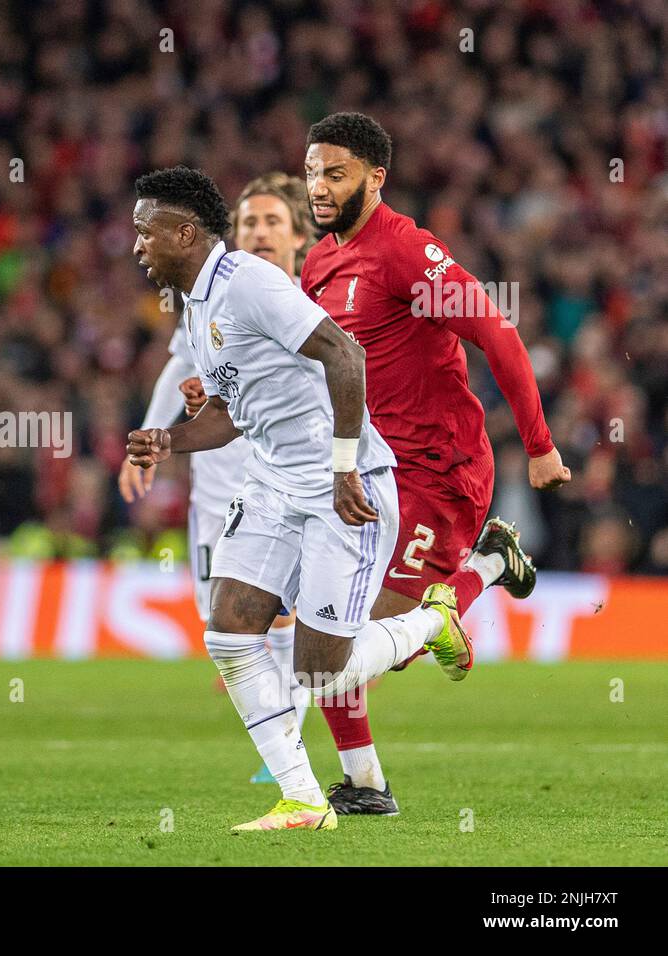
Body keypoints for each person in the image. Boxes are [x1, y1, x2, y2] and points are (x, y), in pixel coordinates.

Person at [127, 165, 472, 832]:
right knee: (229, 631)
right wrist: (168, 440)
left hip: (345, 486)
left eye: (146, 233)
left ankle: (433, 620)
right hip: (275, 484)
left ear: (186, 232)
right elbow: (230, 410)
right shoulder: (197, 308)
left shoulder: (250, 284)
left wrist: (345, 469)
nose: (137, 246)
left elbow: (345, 355)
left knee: (320, 674)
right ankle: (304, 800)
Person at [299, 113, 568, 813]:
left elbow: (497, 334)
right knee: (326, 637)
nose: (319, 188)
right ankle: (365, 789)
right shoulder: (320, 262)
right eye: (312, 173)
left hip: (435, 473)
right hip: (364, 474)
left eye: (336, 174)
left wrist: (539, 446)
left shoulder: (407, 253)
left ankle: (479, 570)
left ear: (375, 177)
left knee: (357, 643)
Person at [120, 172, 317, 785]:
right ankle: (283, 731)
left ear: (299, 237)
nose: (258, 232)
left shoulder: (296, 291)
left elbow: (335, 362)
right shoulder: (207, 297)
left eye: (272, 223)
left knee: (289, 619)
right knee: (230, 618)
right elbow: (202, 372)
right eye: (250, 222)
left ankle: (287, 745)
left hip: (297, 472)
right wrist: (163, 433)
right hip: (222, 471)